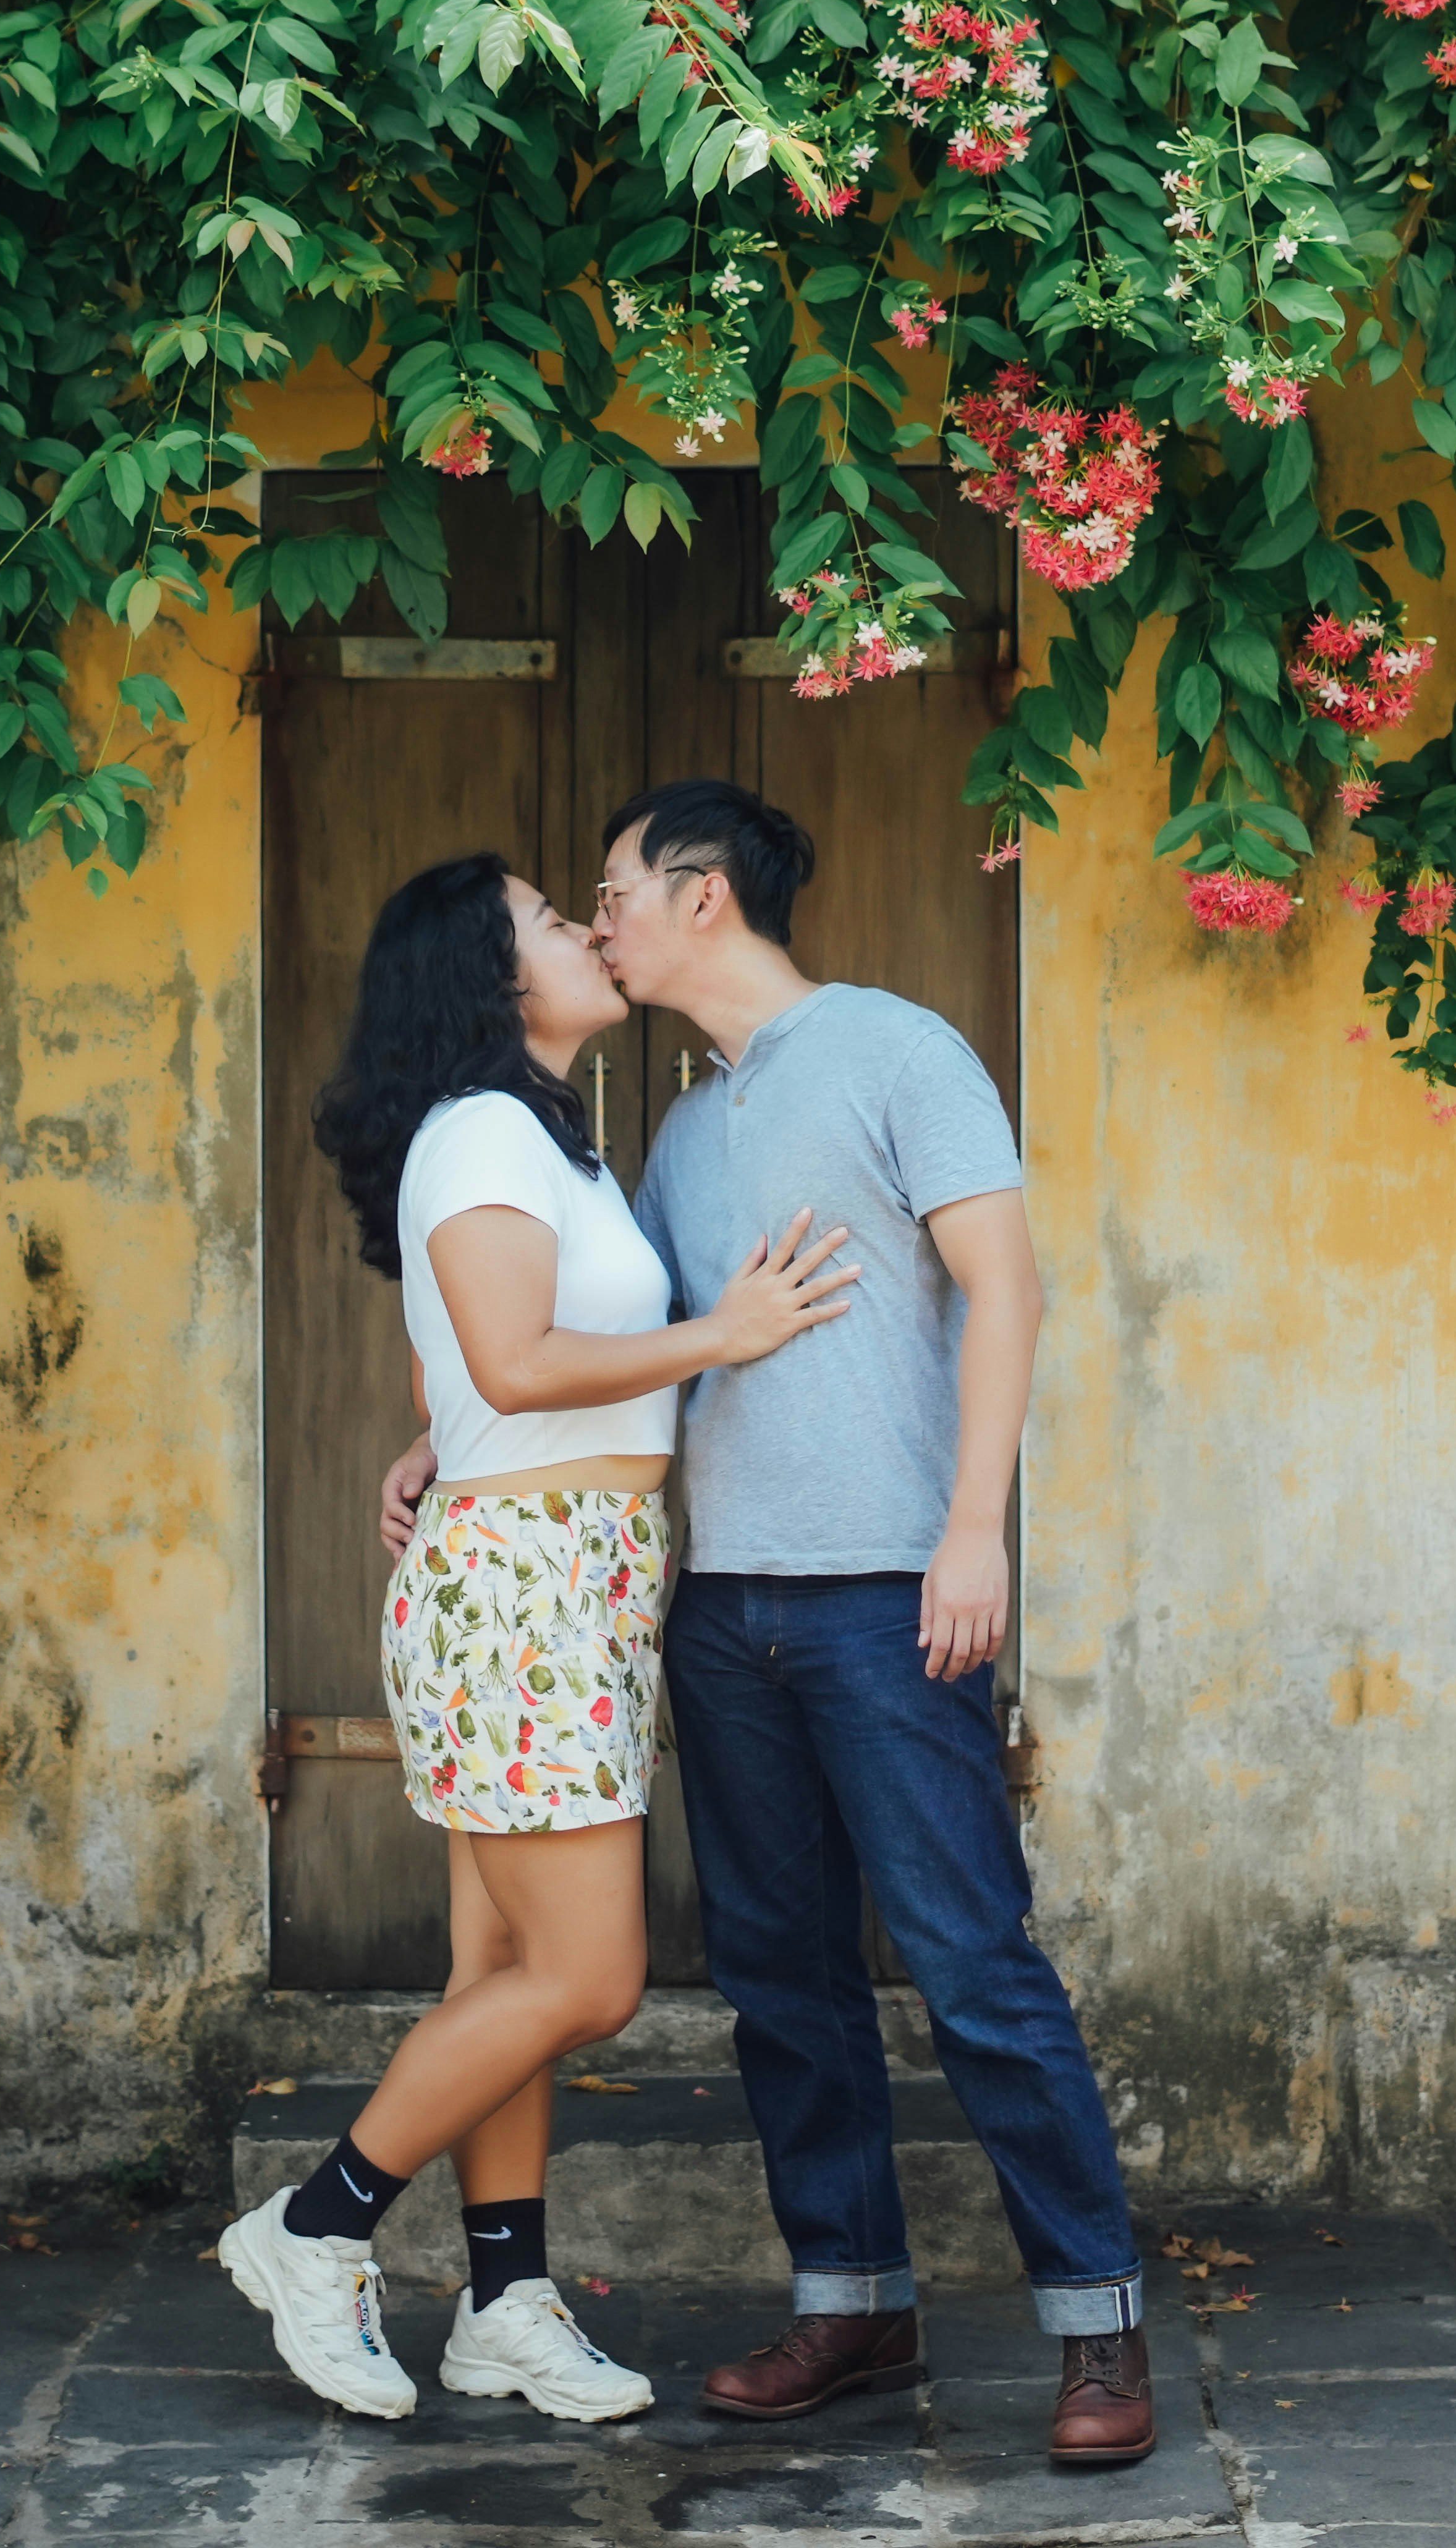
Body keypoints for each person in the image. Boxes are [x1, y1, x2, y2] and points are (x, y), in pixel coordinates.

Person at [380, 781, 1157, 2468]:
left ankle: (1097, 2331)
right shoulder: (680, 1131)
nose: (599, 922)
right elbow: (626, 1333)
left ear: (704, 896)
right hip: (721, 1613)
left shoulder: (897, 1050)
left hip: (893, 1594)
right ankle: (852, 2301)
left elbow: (1007, 1284)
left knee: (969, 1961)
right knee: (784, 1983)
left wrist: (973, 1530)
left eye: (616, 894)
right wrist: (453, 1436)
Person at [231, 852, 856, 2424]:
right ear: (487, 976)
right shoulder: (485, 1131)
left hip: (566, 1566)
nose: (586, 927)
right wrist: (728, 1330)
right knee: (589, 1974)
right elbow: (516, 1355)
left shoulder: (547, 1143)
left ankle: (506, 2296)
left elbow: (482, 1365)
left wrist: (438, 1435)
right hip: (526, 1585)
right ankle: (315, 2224)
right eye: (546, 918)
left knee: (503, 1962)